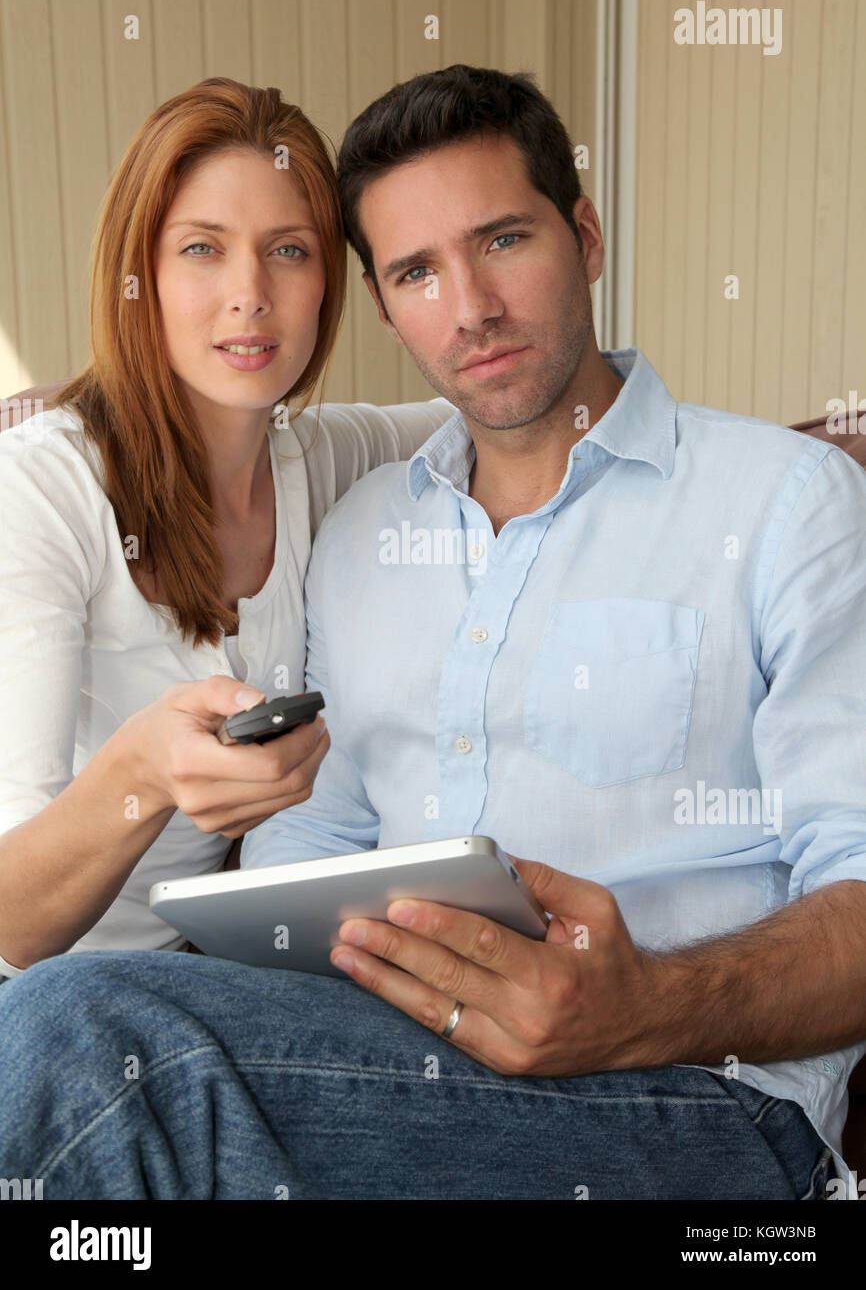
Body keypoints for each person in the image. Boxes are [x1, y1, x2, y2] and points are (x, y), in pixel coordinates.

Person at [1, 64, 865, 1201]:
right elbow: (301, 862)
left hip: (692, 1088)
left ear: (585, 235)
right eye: (415, 271)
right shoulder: (361, 535)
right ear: (381, 303)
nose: (468, 309)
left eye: (502, 241)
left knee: (74, 1030)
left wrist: (642, 1003)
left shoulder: (784, 505)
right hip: (392, 1068)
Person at [0, 76, 452, 977]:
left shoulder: (321, 459)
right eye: (203, 248)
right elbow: (10, 924)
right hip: (46, 997)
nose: (250, 294)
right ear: (140, 275)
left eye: (288, 251)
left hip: (208, 974)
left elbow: (492, 409)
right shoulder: (40, 492)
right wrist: (142, 774)